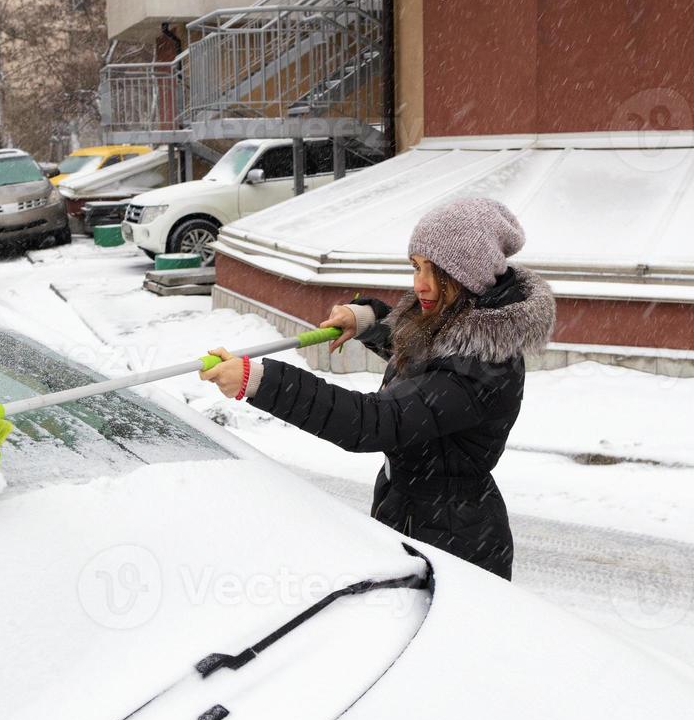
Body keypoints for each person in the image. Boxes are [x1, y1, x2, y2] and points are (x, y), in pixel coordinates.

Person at [201, 197, 555, 580]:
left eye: (434, 272)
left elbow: (374, 422)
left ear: (467, 276)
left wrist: (261, 382)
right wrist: (369, 320)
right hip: (414, 514)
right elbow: (425, 351)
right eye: (416, 267)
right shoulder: (458, 323)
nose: (420, 284)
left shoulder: (483, 368)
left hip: (455, 544)